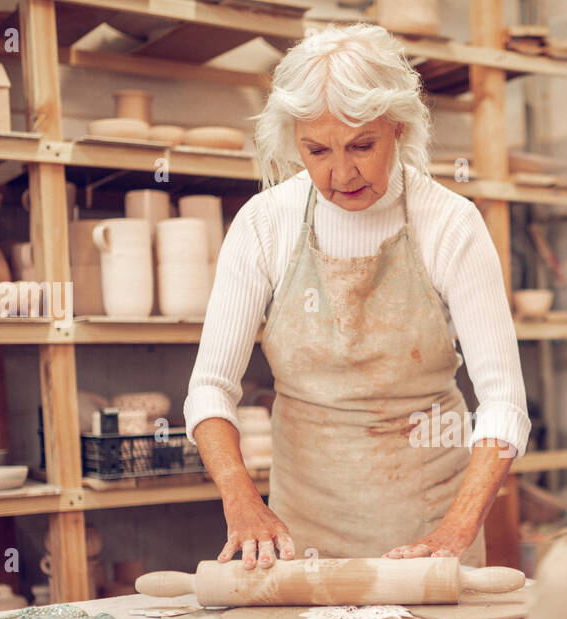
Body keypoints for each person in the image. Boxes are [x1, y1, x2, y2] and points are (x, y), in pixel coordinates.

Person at [184, 23, 530, 571]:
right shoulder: (265, 223)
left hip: (430, 525)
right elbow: (208, 389)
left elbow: (505, 405)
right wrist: (242, 501)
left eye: (362, 146)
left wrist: (455, 531)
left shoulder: (451, 224)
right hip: (301, 533)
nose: (340, 173)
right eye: (316, 149)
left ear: (397, 127)